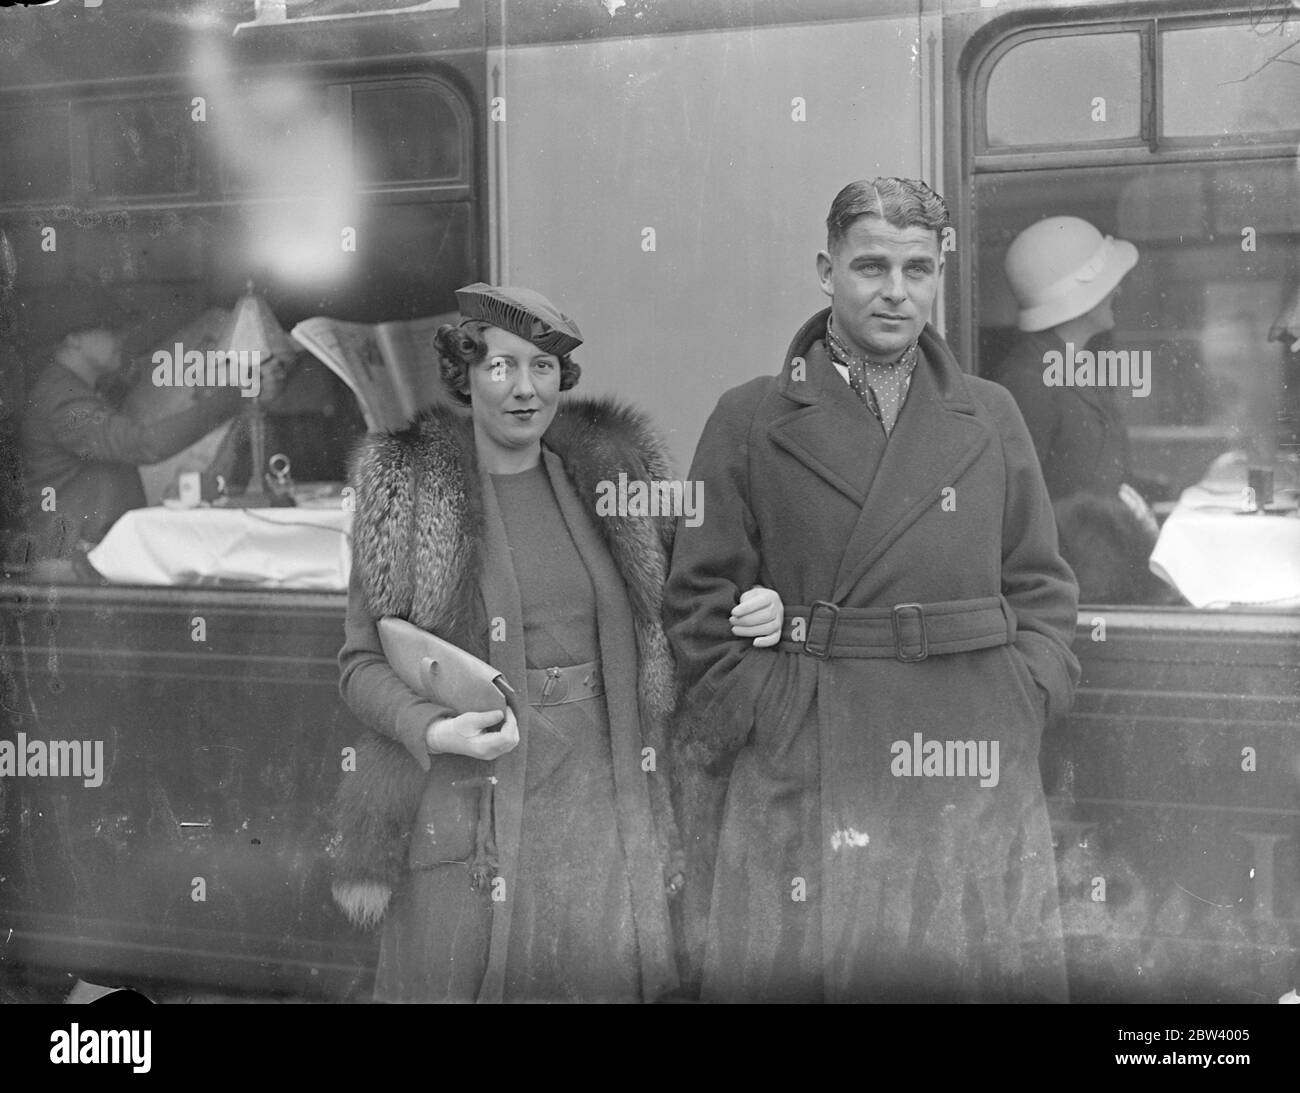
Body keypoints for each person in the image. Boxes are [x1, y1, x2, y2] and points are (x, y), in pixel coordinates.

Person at [663, 179, 1081, 1002]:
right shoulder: (748, 418)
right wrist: (776, 710)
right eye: (872, 266)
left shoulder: (990, 414)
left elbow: (1040, 583)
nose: (897, 290)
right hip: (811, 761)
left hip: (969, 751)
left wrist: (1024, 692)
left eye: (918, 268)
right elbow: (698, 603)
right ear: (827, 270)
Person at [330, 283, 785, 1003]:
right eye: (500, 366)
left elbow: (696, 594)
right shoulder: (409, 485)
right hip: (475, 799)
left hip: (604, 795)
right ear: (464, 373)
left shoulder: (617, 475)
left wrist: (762, 604)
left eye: (543, 368)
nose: (524, 389)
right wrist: (436, 727)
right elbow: (360, 662)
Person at [18, 313, 244, 574]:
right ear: (73, 339)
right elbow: (141, 444)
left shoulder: (70, 390)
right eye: (110, 328)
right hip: (70, 567)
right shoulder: (62, 400)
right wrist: (232, 397)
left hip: (80, 560)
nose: (121, 337)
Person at [986, 215, 1139, 502]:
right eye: (1107, 283)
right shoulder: (1026, 380)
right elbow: (1021, 503)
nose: (1117, 291)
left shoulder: (1076, 364)